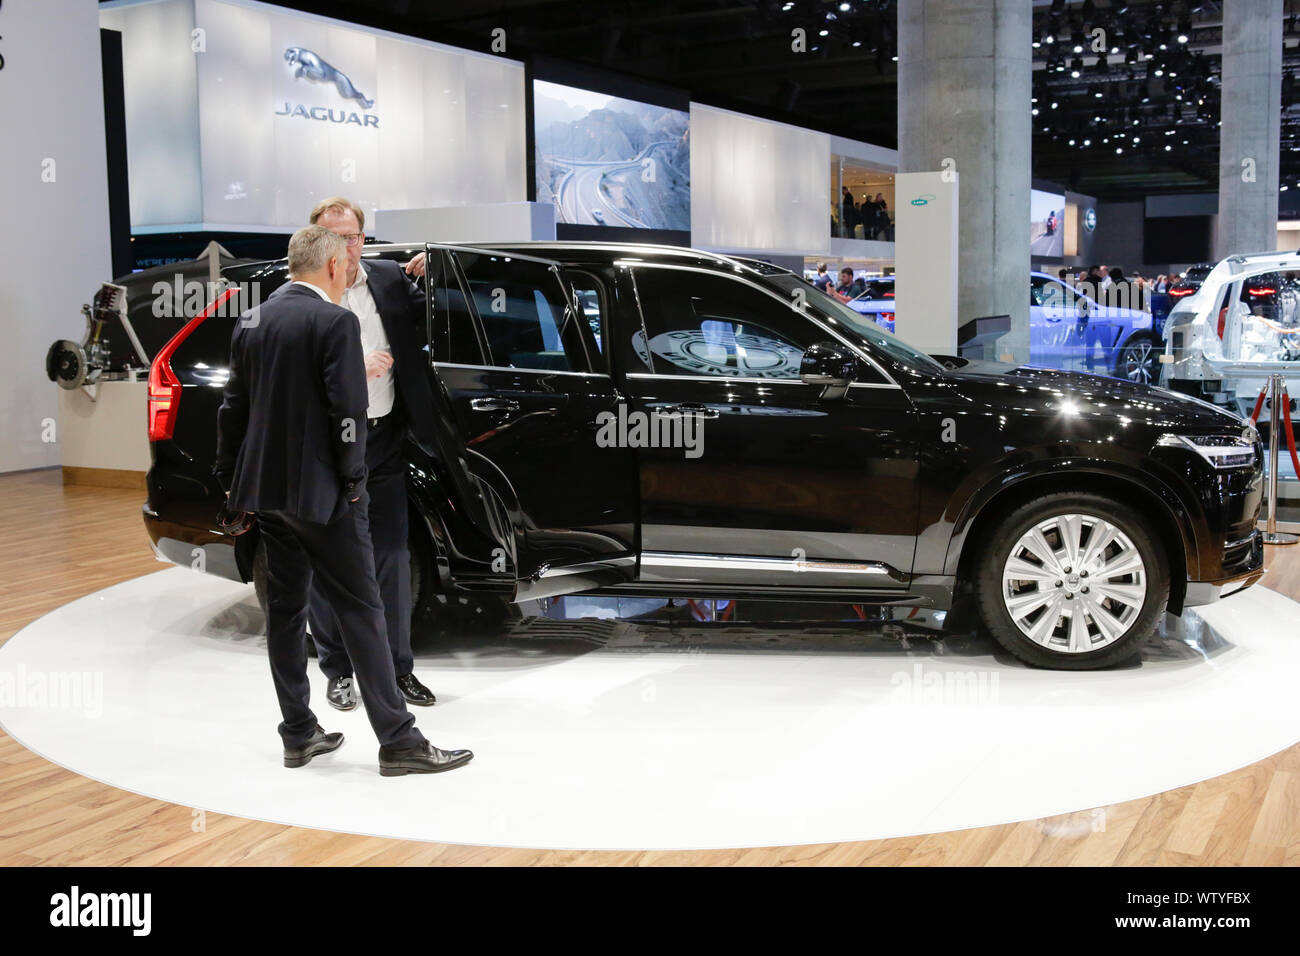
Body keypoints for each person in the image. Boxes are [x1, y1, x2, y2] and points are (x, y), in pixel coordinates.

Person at [215, 225, 472, 775]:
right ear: (332, 265)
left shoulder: (252, 320)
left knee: (286, 615)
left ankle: (298, 734)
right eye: (348, 263)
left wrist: (230, 483)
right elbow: (348, 414)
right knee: (363, 610)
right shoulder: (336, 321)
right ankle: (400, 742)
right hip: (326, 496)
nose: (353, 269)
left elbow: (232, 410)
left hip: (269, 495)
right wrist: (354, 482)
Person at [298, 198, 448, 712]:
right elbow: (289, 376)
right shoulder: (302, 295)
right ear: (315, 240)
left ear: (364, 237)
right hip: (326, 447)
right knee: (332, 562)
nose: (345, 247)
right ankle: (337, 670)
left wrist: (432, 274)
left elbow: (431, 315)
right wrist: (350, 371)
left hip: (382, 441)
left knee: (392, 556)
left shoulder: (387, 279)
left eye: (353, 236)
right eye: (334, 237)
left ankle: (397, 669)